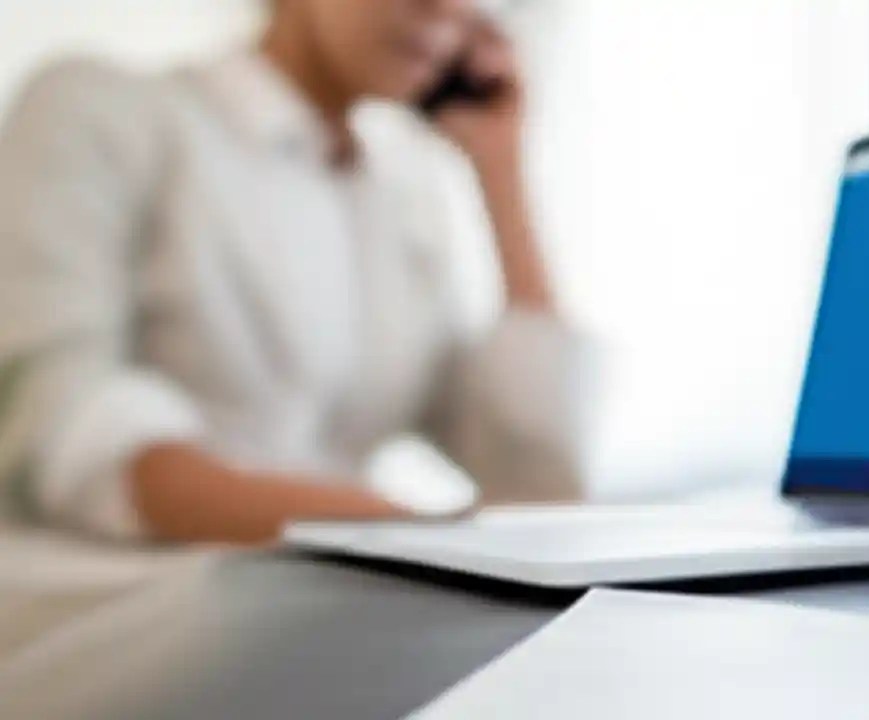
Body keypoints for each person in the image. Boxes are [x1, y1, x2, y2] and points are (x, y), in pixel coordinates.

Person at [0, 0, 590, 544]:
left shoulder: (401, 204)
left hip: (339, 601)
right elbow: (61, 423)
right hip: (142, 608)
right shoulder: (101, 112)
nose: (446, 7)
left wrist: (501, 173)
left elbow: (536, 486)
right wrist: (405, 533)